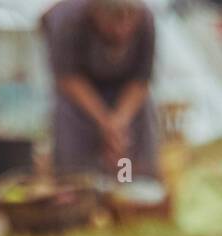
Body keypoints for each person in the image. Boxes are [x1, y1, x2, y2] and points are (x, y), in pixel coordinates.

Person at [41, 0, 159, 179]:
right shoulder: (67, 19)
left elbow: (141, 79)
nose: (122, 29)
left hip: (125, 94)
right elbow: (67, 77)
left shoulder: (146, 19)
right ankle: (80, 190)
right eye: (114, 19)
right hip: (79, 94)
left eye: (129, 19)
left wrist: (119, 122)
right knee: (73, 144)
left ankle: (130, 189)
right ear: (95, 11)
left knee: (135, 136)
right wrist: (105, 122)